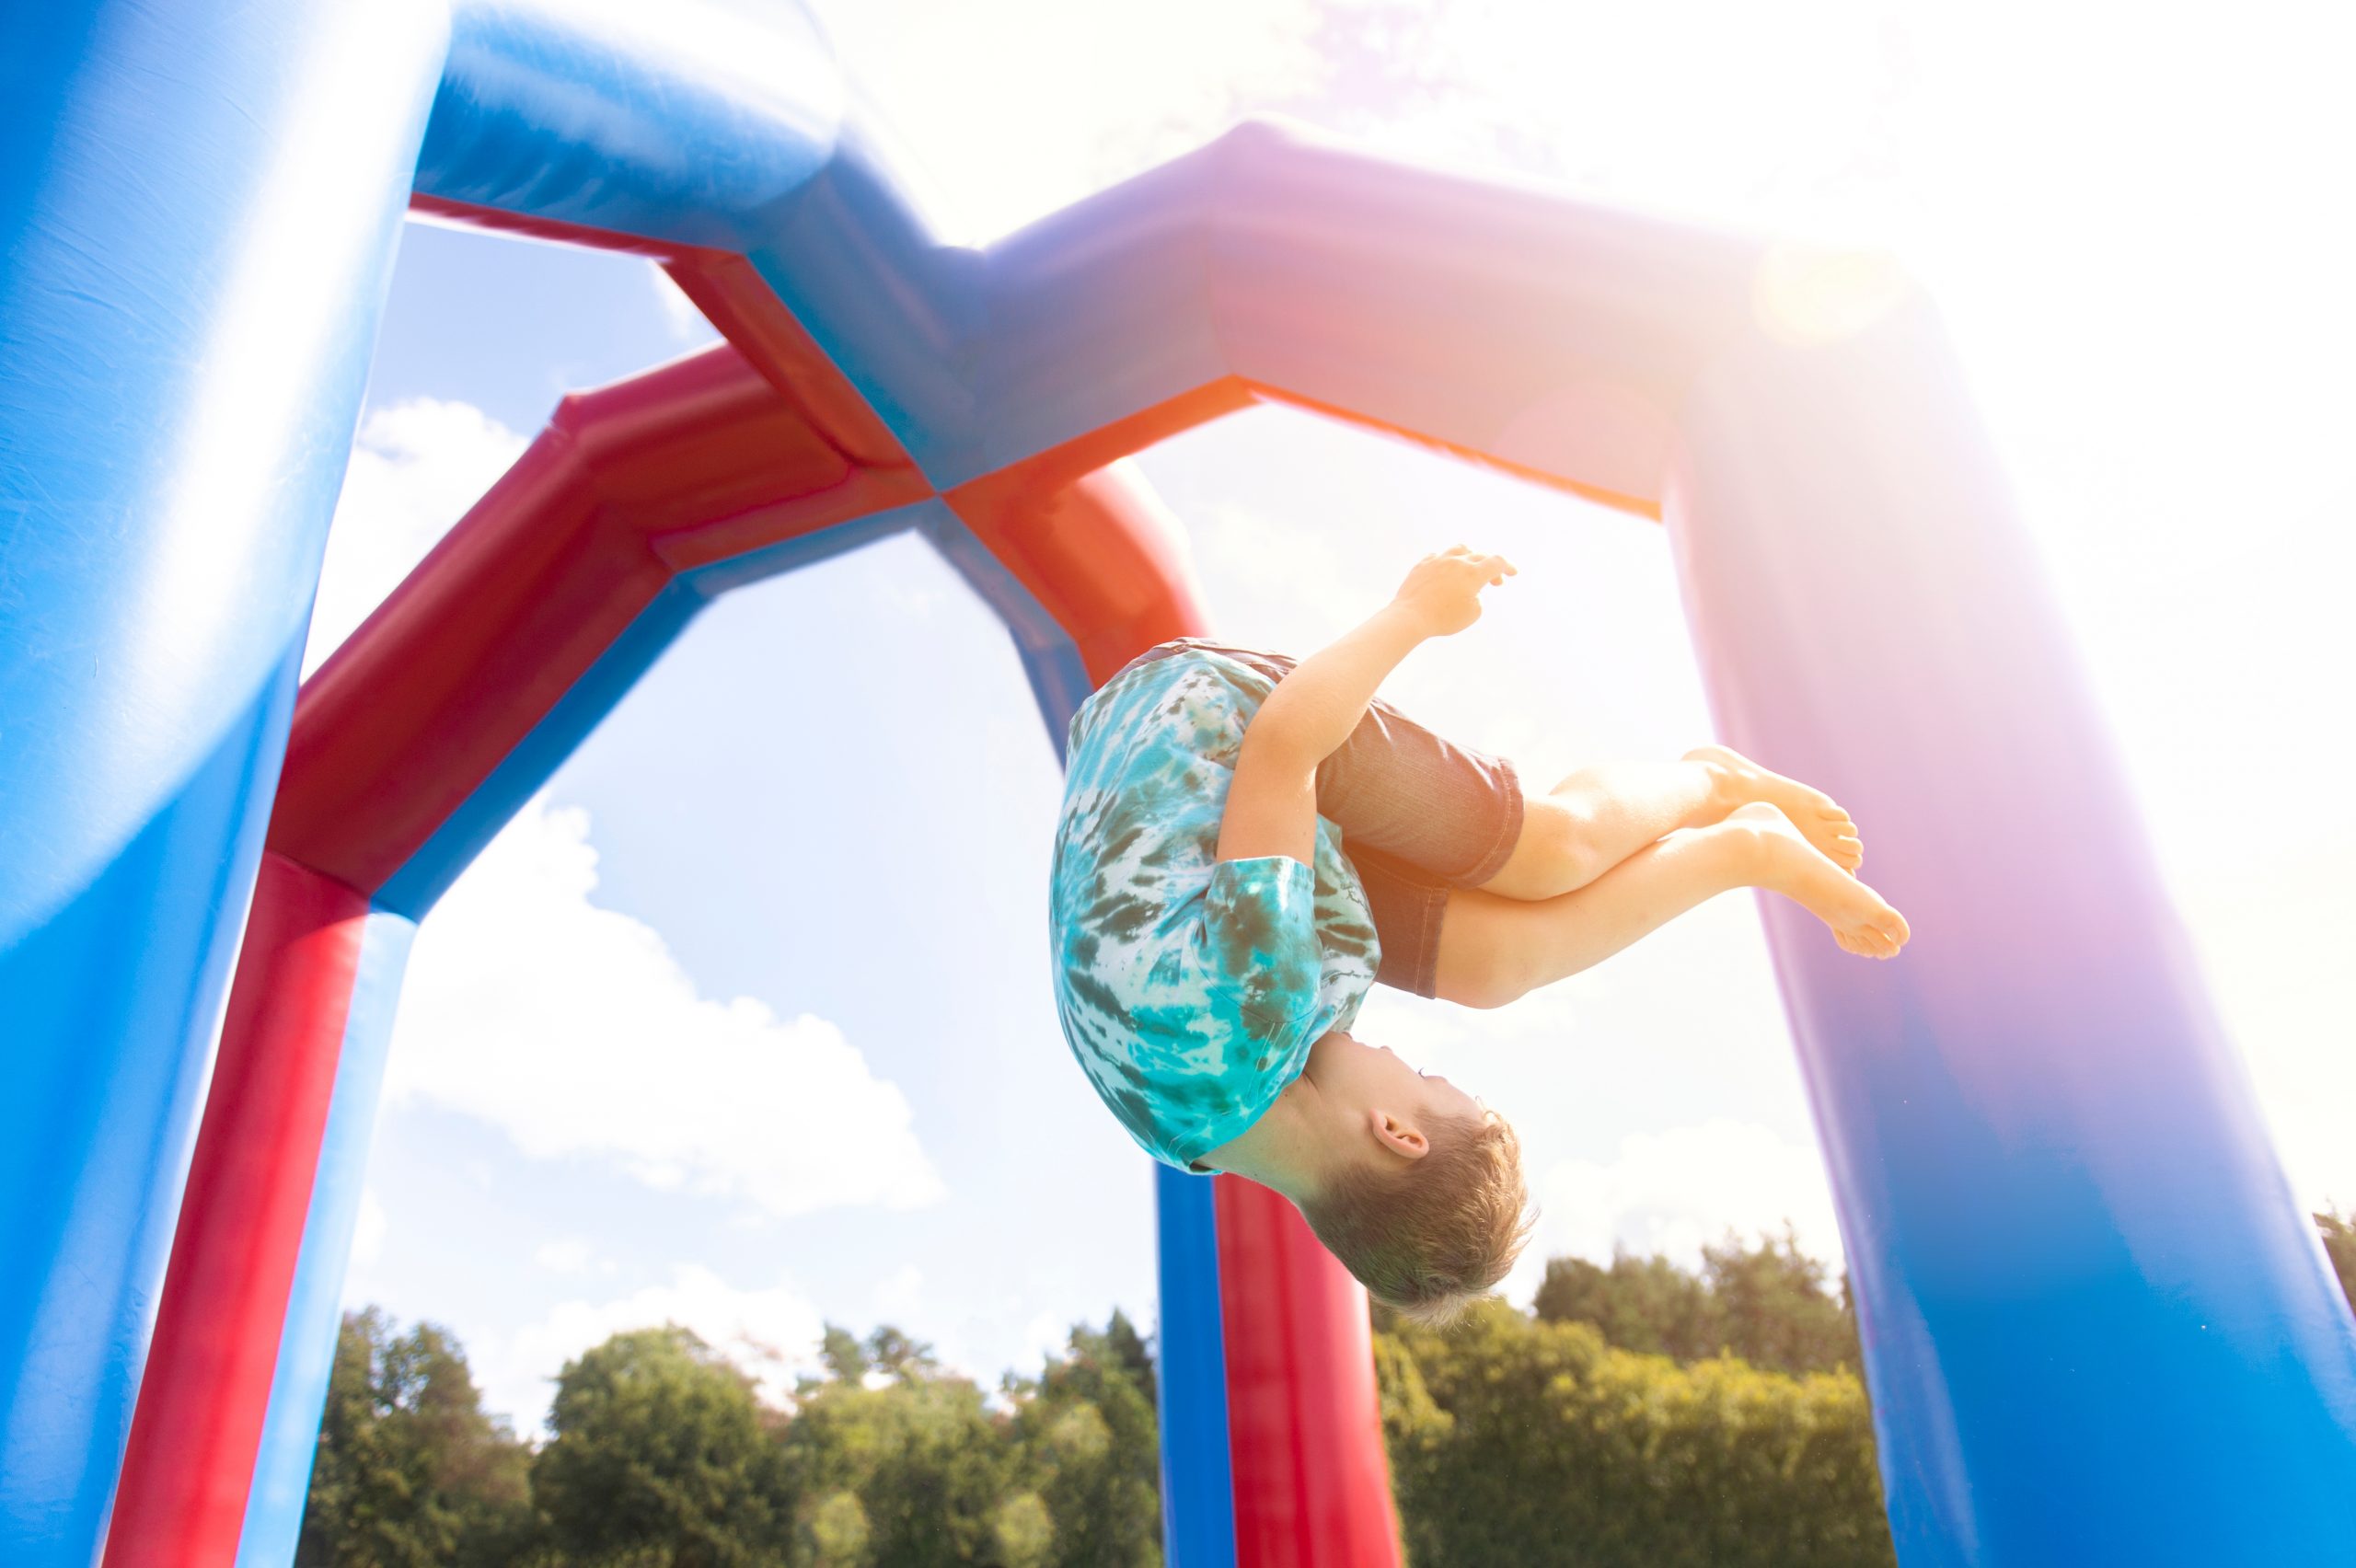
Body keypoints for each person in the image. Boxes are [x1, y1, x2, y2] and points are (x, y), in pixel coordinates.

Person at [1049, 547, 1910, 1323]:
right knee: (1498, 969)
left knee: (1551, 849)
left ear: (1397, 1134)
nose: (1403, 1058)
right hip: (1205, 833)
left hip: (1215, 726)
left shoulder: (1253, 1009)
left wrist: (1416, 613)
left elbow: (1284, 747)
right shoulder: (1193, 1136)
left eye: (1424, 1077)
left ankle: (1708, 783)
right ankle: (1738, 851)